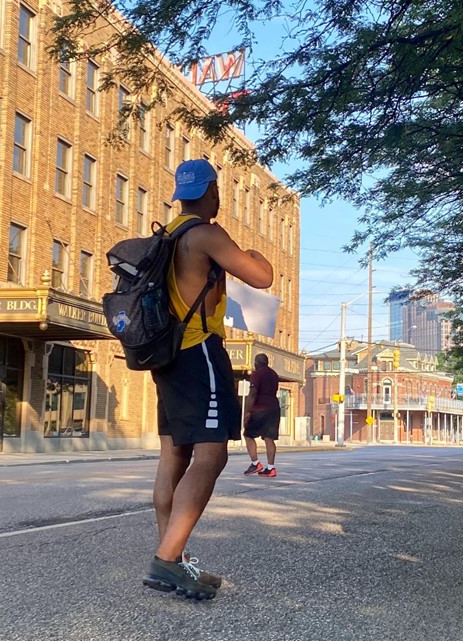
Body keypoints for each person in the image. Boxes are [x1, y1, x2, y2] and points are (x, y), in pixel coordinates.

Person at [143, 159, 274, 600]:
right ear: (212, 192)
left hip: (167, 357)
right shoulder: (206, 234)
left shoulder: (167, 236)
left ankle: (171, 558)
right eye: (217, 191)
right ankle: (167, 560)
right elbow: (262, 276)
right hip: (200, 351)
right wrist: (254, 254)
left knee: (174, 455)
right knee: (212, 455)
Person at [243, 353, 281, 477]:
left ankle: (255, 463)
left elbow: (253, 393)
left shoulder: (257, 374)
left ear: (256, 363)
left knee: (248, 434)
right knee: (269, 438)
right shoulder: (273, 374)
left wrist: (247, 411)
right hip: (274, 407)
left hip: (260, 408)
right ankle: (271, 468)